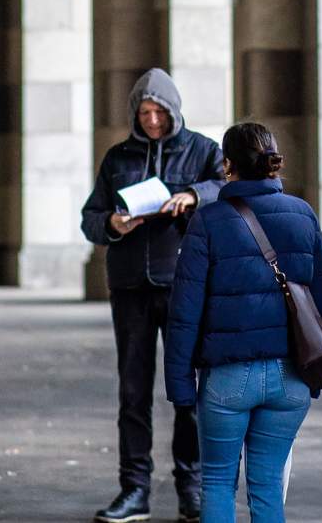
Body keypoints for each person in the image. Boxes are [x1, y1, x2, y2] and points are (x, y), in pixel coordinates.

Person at [165, 122, 322, 523]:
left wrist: (180, 385)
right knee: (268, 484)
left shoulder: (208, 221)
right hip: (292, 376)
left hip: (228, 377)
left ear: (227, 165)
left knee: (217, 481)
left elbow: (185, 310)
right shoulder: (303, 215)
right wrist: (318, 374)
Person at [81, 68, 225, 523]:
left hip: (184, 284)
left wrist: (193, 196)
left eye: (159, 112)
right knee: (133, 392)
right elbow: (90, 217)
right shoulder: (117, 157)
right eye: (144, 113)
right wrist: (111, 223)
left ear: (173, 110)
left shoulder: (203, 150)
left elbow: (227, 189)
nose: (152, 121)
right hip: (130, 288)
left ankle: (191, 488)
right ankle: (134, 489)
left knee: (188, 390)